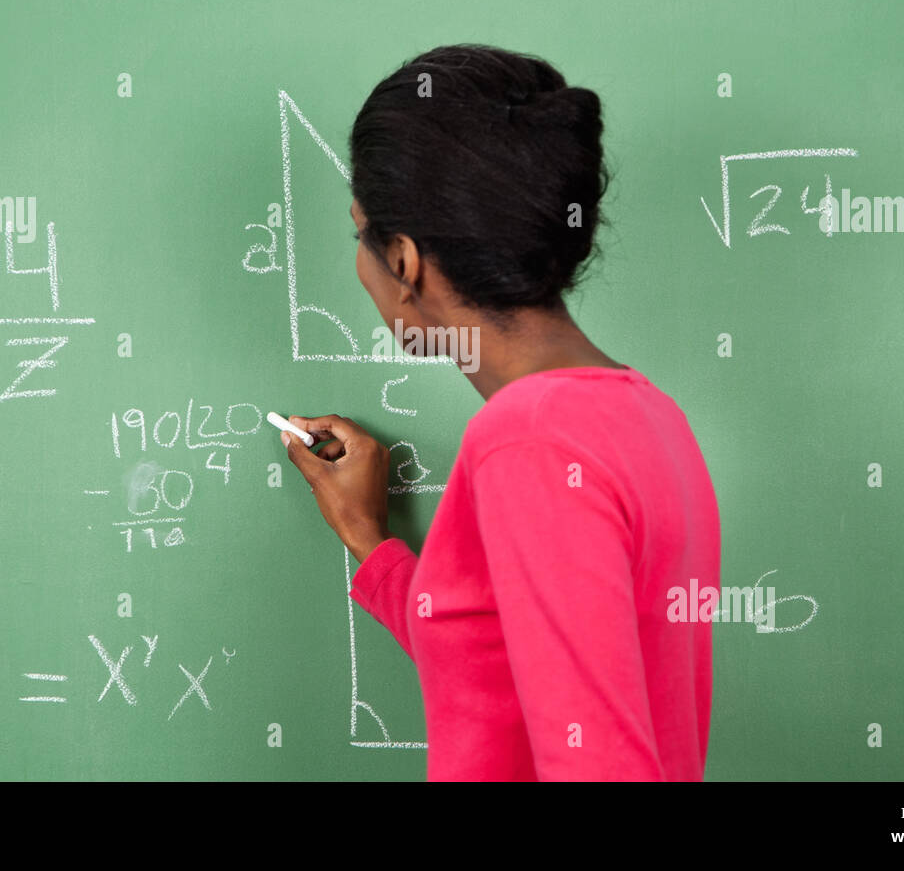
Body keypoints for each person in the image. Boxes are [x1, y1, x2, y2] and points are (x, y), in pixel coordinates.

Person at [280, 44, 721, 780]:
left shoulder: (528, 441)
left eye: (359, 230)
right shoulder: (645, 416)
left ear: (404, 260)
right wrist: (371, 542)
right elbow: (503, 668)